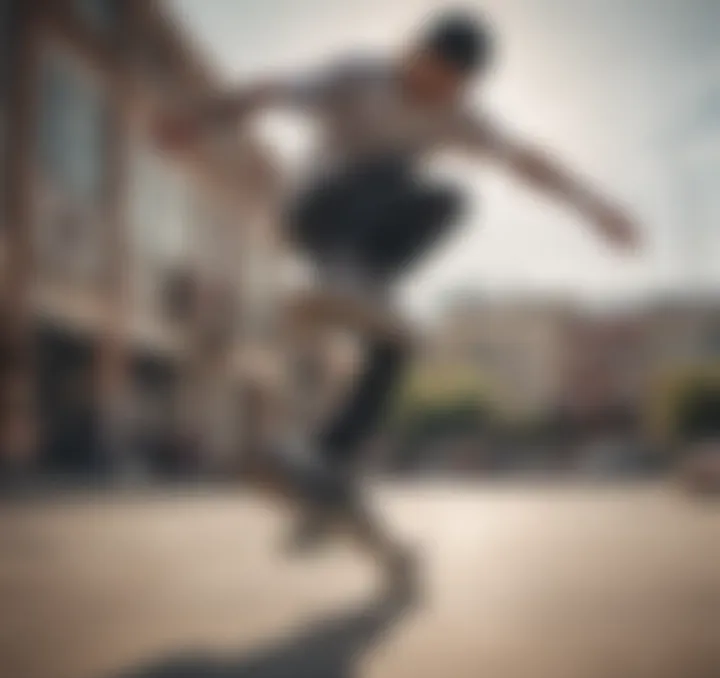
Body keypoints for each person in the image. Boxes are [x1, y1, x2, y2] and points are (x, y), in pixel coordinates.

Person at [154, 9, 639, 567]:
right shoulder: (358, 74)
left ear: (465, 85)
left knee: (417, 293)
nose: (432, 90)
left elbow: (527, 161)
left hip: (370, 245)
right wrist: (197, 117)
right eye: (427, 72)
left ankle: (326, 464)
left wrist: (595, 208)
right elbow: (268, 91)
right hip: (317, 214)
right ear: (409, 52)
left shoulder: (461, 116)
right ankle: (350, 271)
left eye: (448, 84)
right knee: (390, 170)